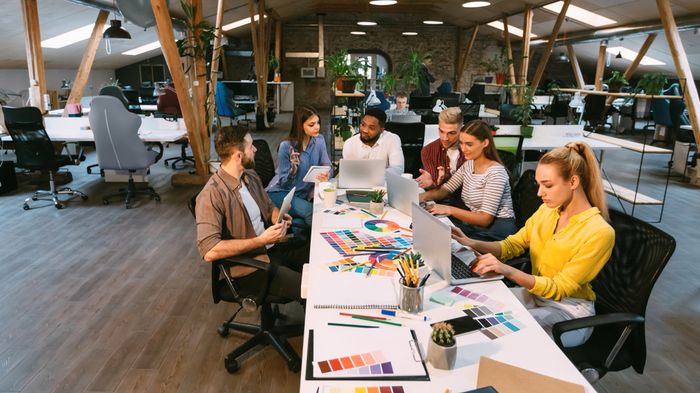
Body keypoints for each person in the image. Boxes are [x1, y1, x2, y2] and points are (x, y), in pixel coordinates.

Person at [451, 142, 615, 347]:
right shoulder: (548, 211)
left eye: (547, 185)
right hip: (535, 296)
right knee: (476, 309)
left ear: (573, 181)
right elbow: (512, 245)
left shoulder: (599, 232)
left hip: (570, 314)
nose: (539, 193)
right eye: (539, 185)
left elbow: (559, 288)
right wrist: (469, 241)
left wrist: (507, 270)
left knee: (499, 334)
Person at [196, 125, 309, 302]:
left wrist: (279, 218)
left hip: (269, 248)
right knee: (309, 289)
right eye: (251, 146)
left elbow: (269, 206)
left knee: (316, 253)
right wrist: (261, 240)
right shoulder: (212, 194)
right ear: (238, 155)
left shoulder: (250, 176)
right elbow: (210, 251)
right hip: (248, 267)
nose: (255, 149)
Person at [419, 120, 516, 241]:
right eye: (461, 143)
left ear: (485, 143)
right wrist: (419, 197)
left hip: (497, 231)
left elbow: (485, 219)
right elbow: (445, 190)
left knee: (442, 239)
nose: (463, 149)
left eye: (469, 144)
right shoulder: (469, 164)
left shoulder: (496, 173)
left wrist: (448, 209)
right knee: (431, 230)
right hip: (477, 226)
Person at [267, 106, 331, 238]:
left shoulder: (319, 140)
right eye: (311, 124)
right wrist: (293, 170)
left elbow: (327, 165)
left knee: (300, 223)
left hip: (301, 194)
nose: (317, 127)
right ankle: (316, 244)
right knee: (310, 212)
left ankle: (296, 243)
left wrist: (327, 174)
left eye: (318, 122)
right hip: (280, 193)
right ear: (300, 126)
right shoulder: (286, 146)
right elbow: (284, 184)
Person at [342, 108, 404, 176]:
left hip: (384, 184)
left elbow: (397, 169)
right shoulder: (350, 144)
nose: (365, 130)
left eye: (371, 128)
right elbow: (348, 173)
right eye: (363, 125)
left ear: (381, 130)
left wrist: (374, 175)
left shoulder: (392, 139)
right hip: (357, 185)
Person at [416, 107, 465, 190]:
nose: (445, 138)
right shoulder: (428, 151)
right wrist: (432, 185)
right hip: (438, 199)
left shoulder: (471, 150)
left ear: (461, 129)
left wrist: (447, 177)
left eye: (451, 133)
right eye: (441, 131)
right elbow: (435, 186)